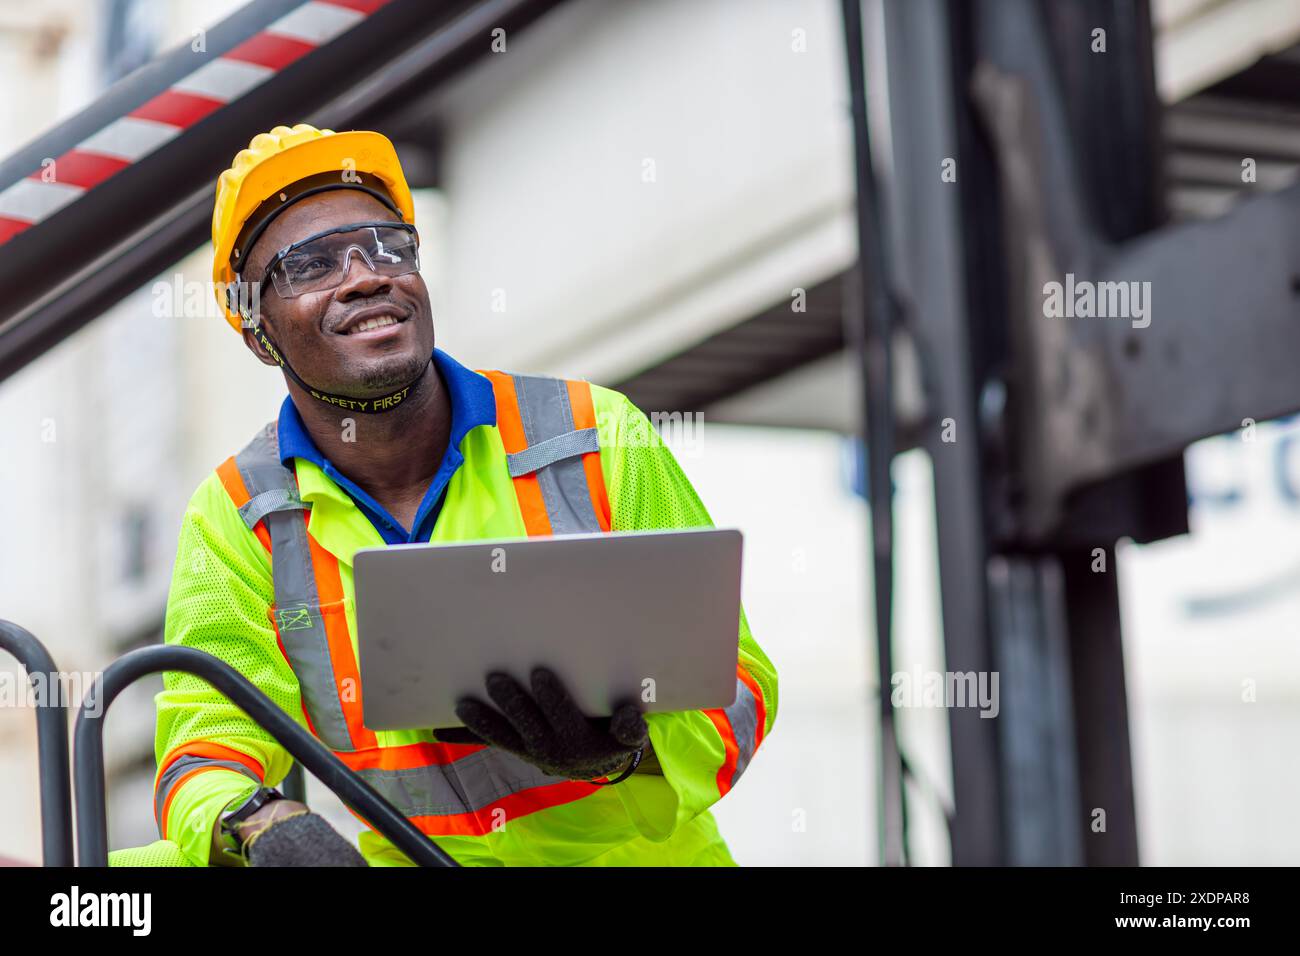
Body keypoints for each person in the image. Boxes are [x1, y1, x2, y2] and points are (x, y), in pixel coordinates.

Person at [153, 123, 777, 867]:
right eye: (311, 264)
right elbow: (203, 748)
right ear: (259, 333)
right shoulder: (238, 517)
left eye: (387, 247)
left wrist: (623, 753)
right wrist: (258, 824)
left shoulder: (593, 433)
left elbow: (735, 684)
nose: (364, 276)